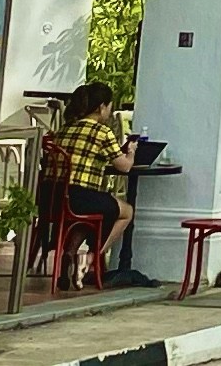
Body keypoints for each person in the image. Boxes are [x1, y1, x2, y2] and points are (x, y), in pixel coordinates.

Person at [45, 84, 154, 288]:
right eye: (109, 107)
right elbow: (124, 167)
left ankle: (69, 254)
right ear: (101, 107)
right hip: (80, 198)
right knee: (126, 211)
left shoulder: (65, 128)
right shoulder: (102, 132)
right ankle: (90, 259)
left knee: (93, 212)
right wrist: (131, 151)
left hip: (51, 198)